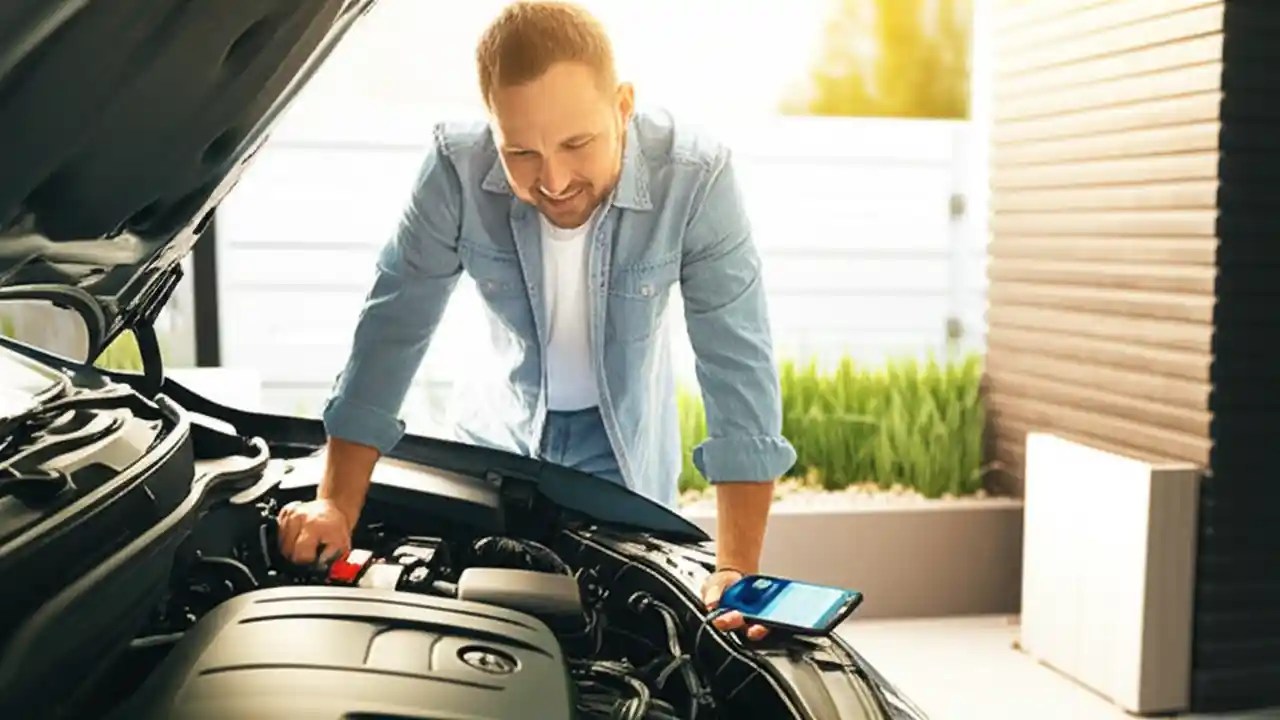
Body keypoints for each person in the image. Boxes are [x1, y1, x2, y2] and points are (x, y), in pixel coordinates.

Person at [276, 0, 796, 638]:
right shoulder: (454, 170)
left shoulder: (695, 177)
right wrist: (334, 501)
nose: (552, 179)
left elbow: (736, 366)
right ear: (492, 126)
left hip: (623, 454)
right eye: (520, 151)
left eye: (578, 143)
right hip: (495, 442)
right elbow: (391, 330)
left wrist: (737, 568)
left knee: (618, 636)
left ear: (623, 105)